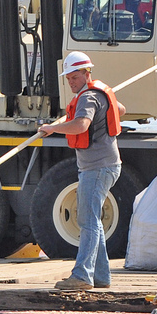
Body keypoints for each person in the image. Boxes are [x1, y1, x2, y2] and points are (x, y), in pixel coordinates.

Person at [38, 52, 126, 291]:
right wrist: (106, 103)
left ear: (87, 73)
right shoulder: (98, 94)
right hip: (105, 166)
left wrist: (52, 128)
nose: (71, 82)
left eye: (75, 77)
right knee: (92, 220)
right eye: (68, 78)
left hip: (98, 168)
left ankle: (82, 275)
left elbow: (80, 125)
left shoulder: (88, 97)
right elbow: (121, 109)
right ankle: (101, 276)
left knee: (87, 221)